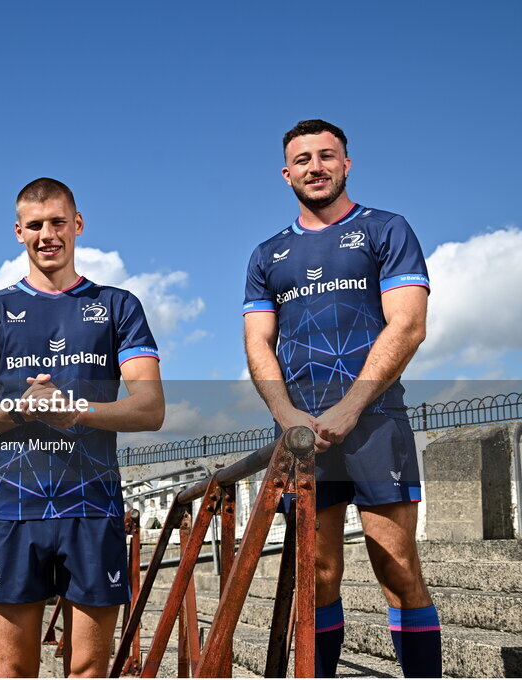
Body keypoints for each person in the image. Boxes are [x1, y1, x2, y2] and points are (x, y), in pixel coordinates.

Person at [243, 120, 439, 677]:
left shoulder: (386, 229)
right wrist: (286, 415)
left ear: (346, 164)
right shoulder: (267, 254)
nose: (316, 167)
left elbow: (408, 325)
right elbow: (258, 342)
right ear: (286, 174)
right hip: (301, 434)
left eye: (327, 156)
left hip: (375, 422)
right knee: (319, 574)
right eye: (303, 159)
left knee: (396, 568)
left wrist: (350, 407)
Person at [0, 178, 165, 677]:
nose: (47, 234)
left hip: (93, 507)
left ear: (78, 225)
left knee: (87, 670)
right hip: (14, 509)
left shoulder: (118, 306)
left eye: (58, 222)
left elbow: (151, 407)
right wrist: (22, 409)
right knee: (14, 672)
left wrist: (76, 411)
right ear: (19, 231)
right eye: (36, 225)